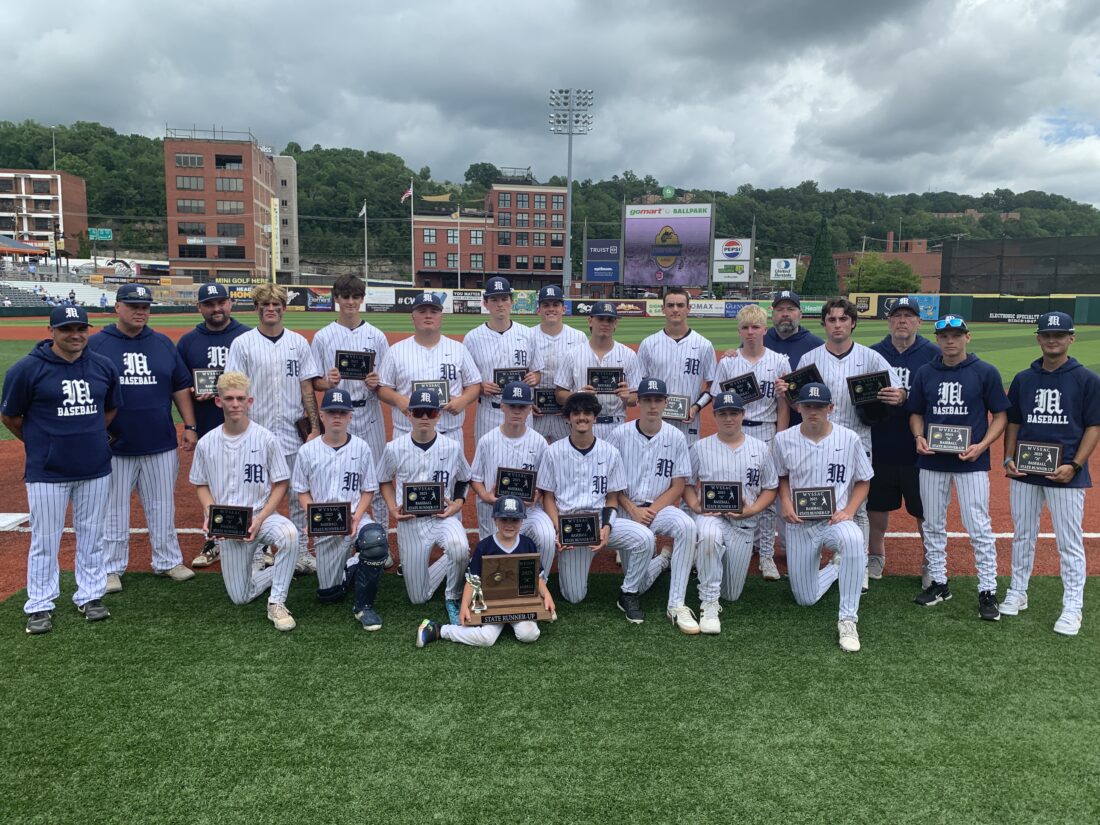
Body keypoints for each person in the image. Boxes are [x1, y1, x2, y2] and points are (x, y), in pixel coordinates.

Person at [2, 305, 121, 634]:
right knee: (45, 538)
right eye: (67, 328)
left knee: (92, 535)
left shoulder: (102, 366)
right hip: (47, 472)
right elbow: (11, 417)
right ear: (51, 330)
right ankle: (40, 604)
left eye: (81, 328)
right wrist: (42, 443)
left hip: (95, 467)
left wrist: (92, 438)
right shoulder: (27, 369)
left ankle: (91, 595)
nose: (75, 335)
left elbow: (109, 409)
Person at [86, 282, 198, 593]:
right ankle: (111, 567)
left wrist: (189, 426)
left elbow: (179, 386)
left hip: (159, 442)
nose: (140, 311)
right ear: (117, 307)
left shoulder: (162, 344)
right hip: (114, 445)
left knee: (162, 505)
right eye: (134, 306)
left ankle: (168, 561)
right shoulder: (97, 344)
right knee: (113, 509)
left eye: (145, 306)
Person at [1002, 311, 1100, 636]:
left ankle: (1073, 606)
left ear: (1071, 337)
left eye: (1059, 335)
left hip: (1066, 472)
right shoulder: (1023, 378)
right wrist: (1008, 457)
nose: (1052, 339)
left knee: (1069, 541)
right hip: (1026, 469)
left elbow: (1093, 427)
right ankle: (1018, 591)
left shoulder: (1086, 379)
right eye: (1046, 334)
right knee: (1023, 534)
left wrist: (1075, 465)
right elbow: (1013, 421)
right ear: (1039, 338)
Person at [796, 297, 904, 589]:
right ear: (824, 324)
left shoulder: (871, 357)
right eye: (832, 320)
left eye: (843, 319)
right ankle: (817, 561)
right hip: (818, 441)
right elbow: (798, 401)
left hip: (858, 440)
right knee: (818, 500)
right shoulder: (810, 359)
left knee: (857, 507)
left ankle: (858, 567)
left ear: (853, 322)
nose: (838, 325)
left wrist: (899, 396)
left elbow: (899, 389)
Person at [907, 315, 1010, 620]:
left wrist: (982, 445)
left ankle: (987, 589)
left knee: (978, 525)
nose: (949, 341)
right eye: (944, 336)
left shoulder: (984, 372)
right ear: (937, 339)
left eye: (955, 335)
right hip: (932, 459)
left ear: (968, 337)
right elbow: (915, 413)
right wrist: (918, 437)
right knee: (933, 523)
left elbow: (1000, 416)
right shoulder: (926, 372)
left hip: (971, 461)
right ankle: (939, 582)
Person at [226, 283, 325, 574]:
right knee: (254, 497)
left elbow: (307, 387)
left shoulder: (298, 343)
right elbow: (235, 389)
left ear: (283, 307)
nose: (271, 309)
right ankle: (257, 555)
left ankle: (299, 552)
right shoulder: (243, 343)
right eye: (265, 304)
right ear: (257, 308)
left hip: (292, 432)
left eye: (276, 304)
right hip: (256, 433)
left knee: (298, 494)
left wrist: (315, 428)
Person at [188, 372, 299, 631]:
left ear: (250, 402)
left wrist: (260, 518)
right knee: (240, 597)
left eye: (240, 398)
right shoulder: (207, 443)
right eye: (229, 398)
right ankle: (282, 571)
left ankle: (277, 603)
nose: (235, 404)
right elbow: (200, 484)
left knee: (290, 535)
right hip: (229, 525)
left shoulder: (265, 438)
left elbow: (281, 482)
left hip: (262, 515)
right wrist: (209, 514)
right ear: (219, 402)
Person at [772, 383, 873, 652]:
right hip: (799, 524)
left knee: (853, 538)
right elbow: (781, 476)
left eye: (819, 406)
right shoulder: (784, 439)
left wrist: (849, 511)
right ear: (798, 408)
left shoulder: (849, 438)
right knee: (805, 599)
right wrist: (785, 501)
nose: (813, 411)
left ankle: (848, 620)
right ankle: (837, 568)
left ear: (830, 408)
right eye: (807, 406)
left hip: (833, 522)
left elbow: (864, 480)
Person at [537, 392, 654, 622]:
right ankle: (659, 565)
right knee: (574, 597)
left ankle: (628, 592)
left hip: (601, 522)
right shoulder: (553, 452)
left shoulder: (610, 452)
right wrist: (558, 528)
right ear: (568, 418)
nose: (582, 417)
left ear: (595, 417)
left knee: (646, 538)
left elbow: (612, 497)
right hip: (571, 528)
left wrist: (608, 527)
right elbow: (548, 497)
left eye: (587, 413)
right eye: (576, 413)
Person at [607, 378, 699, 635]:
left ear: (665, 403)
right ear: (639, 402)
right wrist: (634, 510)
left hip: (658, 509)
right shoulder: (619, 435)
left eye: (658, 400)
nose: (652, 405)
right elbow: (612, 485)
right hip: (626, 511)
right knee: (641, 582)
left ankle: (676, 603)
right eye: (647, 399)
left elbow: (678, 486)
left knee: (687, 526)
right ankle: (663, 559)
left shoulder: (676, 436)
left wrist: (651, 511)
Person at [684, 391, 779, 635]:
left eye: (734, 413)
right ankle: (709, 603)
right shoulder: (700, 447)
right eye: (723, 413)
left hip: (744, 524)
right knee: (707, 537)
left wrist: (753, 509)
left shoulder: (760, 448)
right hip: (711, 518)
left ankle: (705, 566)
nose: (729, 418)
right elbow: (686, 483)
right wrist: (696, 506)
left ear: (743, 415)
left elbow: (771, 487)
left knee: (732, 594)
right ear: (715, 415)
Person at [376, 387, 471, 625]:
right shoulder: (394, 448)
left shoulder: (452, 447)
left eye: (430, 412)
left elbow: (464, 478)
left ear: (438, 414)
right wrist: (391, 507)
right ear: (409, 415)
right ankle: (448, 564)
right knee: (418, 598)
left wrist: (458, 504)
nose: (425, 418)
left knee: (459, 547)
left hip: (443, 519)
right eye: (419, 412)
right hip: (411, 523)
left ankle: (453, 595)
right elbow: (384, 479)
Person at [291, 388, 381, 627]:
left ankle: (364, 606)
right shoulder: (307, 451)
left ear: (350, 416)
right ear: (322, 415)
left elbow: (369, 489)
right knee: (329, 595)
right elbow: (301, 489)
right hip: (325, 523)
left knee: (375, 539)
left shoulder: (361, 447)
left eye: (342, 412)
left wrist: (357, 517)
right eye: (332, 412)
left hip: (354, 516)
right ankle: (352, 565)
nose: (337, 417)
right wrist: (315, 517)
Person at [713, 303, 791, 580]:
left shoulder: (780, 361)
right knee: (733, 487)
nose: (750, 332)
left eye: (755, 327)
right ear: (739, 331)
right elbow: (718, 404)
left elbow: (784, 405)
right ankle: (728, 544)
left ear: (764, 330)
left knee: (767, 496)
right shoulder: (729, 361)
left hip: (766, 431)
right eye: (745, 327)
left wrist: (778, 440)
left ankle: (766, 555)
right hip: (735, 432)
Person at [415, 495, 556, 648]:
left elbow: (536, 576)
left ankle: (509, 622)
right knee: (487, 639)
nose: (509, 524)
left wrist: (547, 596)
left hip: (518, 601)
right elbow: (473, 580)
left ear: (522, 521)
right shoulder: (485, 546)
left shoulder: (528, 544)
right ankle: (439, 630)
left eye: (514, 520)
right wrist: (464, 606)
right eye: (504, 519)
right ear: (495, 519)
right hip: (491, 602)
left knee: (529, 634)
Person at [176, 282, 250, 568]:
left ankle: (256, 534)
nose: (216, 308)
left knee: (249, 480)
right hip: (208, 423)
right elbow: (181, 386)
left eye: (221, 302)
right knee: (215, 482)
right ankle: (214, 538)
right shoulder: (188, 342)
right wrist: (190, 424)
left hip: (244, 424)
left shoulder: (246, 336)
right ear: (200, 308)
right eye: (209, 304)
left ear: (230, 303)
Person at [867, 297, 939, 583]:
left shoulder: (933, 354)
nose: (902, 321)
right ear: (889, 321)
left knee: (924, 509)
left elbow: (938, 400)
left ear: (919, 322)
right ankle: (875, 557)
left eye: (909, 316)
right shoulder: (873, 354)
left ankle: (931, 562)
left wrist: (907, 397)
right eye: (897, 316)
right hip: (880, 442)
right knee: (876, 507)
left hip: (918, 448)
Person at [309, 274, 390, 529]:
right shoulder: (323, 336)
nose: (350, 302)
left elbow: (384, 383)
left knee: (376, 476)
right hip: (337, 414)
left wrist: (376, 381)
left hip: (369, 412)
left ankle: (380, 539)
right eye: (345, 297)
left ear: (362, 299)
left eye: (356, 297)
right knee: (339, 475)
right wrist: (327, 381)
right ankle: (340, 531)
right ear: (336, 299)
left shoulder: (376, 336)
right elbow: (314, 383)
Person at [469, 381, 556, 578]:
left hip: (528, 510)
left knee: (547, 535)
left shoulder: (539, 442)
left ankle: (539, 585)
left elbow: (544, 481)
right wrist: (486, 496)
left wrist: (536, 496)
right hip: (495, 512)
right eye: (512, 406)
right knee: (494, 564)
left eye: (522, 406)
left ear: (529, 408)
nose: (516, 411)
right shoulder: (487, 440)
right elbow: (475, 478)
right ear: (502, 406)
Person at [377, 293, 481, 457]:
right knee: (408, 483)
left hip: (450, 433)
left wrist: (463, 400)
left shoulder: (458, 349)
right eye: (422, 311)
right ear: (413, 316)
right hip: (406, 434)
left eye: (434, 311)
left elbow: (474, 384)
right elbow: (382, 388)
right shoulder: (396, 351)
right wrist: (398, 399)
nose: (428, 315)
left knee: (452, 483)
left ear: (441, 316)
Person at [461, 277, 543, 444]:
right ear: (485, 303)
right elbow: (465, 381)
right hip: (489, 411)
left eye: (504, 299)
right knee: (488, 463)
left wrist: (535, 378)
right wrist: (480, 387)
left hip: (521, 410)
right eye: (494, 299)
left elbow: (537, 371)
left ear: (511, 302)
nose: (500, 304)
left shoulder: (528, 334)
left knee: (524, 461)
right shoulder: (472, 338)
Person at [636, 287, 717, 446]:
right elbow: (639, 383)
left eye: (680, 305)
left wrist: (695, 407)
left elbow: (712, 386)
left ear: (689, 308)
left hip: (688, 425)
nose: (675, 310)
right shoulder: (649, 344)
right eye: (670, 305)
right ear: (663, 309)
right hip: (655, 423)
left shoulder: (704, 345)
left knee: (685, 470)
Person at [554, 301, 641, 440]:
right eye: (600, 319)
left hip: (616, 425)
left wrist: (627, 397)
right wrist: (577, 395)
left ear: (615, 324)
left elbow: (635, 398)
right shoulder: (572, 354)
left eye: (610, 320)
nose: (605, 323)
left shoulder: (629, 355)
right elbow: (559, 395)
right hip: (583, 425)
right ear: (590, 321)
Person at [530, 284, 587, 444]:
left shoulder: (579, 337)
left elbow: (581, 374)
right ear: (539, 309)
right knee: (533, 459)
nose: (551, 309)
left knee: (565, 459)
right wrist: (527, 403)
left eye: (556, 305)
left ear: (563, 308)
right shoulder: (527, 335)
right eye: (546, 305)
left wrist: (571, 404)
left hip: (566, 414)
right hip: (535, 412)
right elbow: (522, 373)